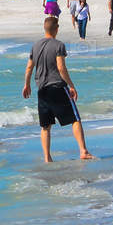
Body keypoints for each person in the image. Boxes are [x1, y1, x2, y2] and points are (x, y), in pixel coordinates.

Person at [23, 15, 93, 162]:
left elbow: (29, 67)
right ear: (56, 29)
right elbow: (61, 67)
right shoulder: (58, 45)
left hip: (42, 90)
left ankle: (47, 158)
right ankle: (83, 151)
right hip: (57, 87)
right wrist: (71, 86)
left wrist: (27, 84)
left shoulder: (35, 46)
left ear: (45, 28)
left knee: (45, 126)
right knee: (75, 119)